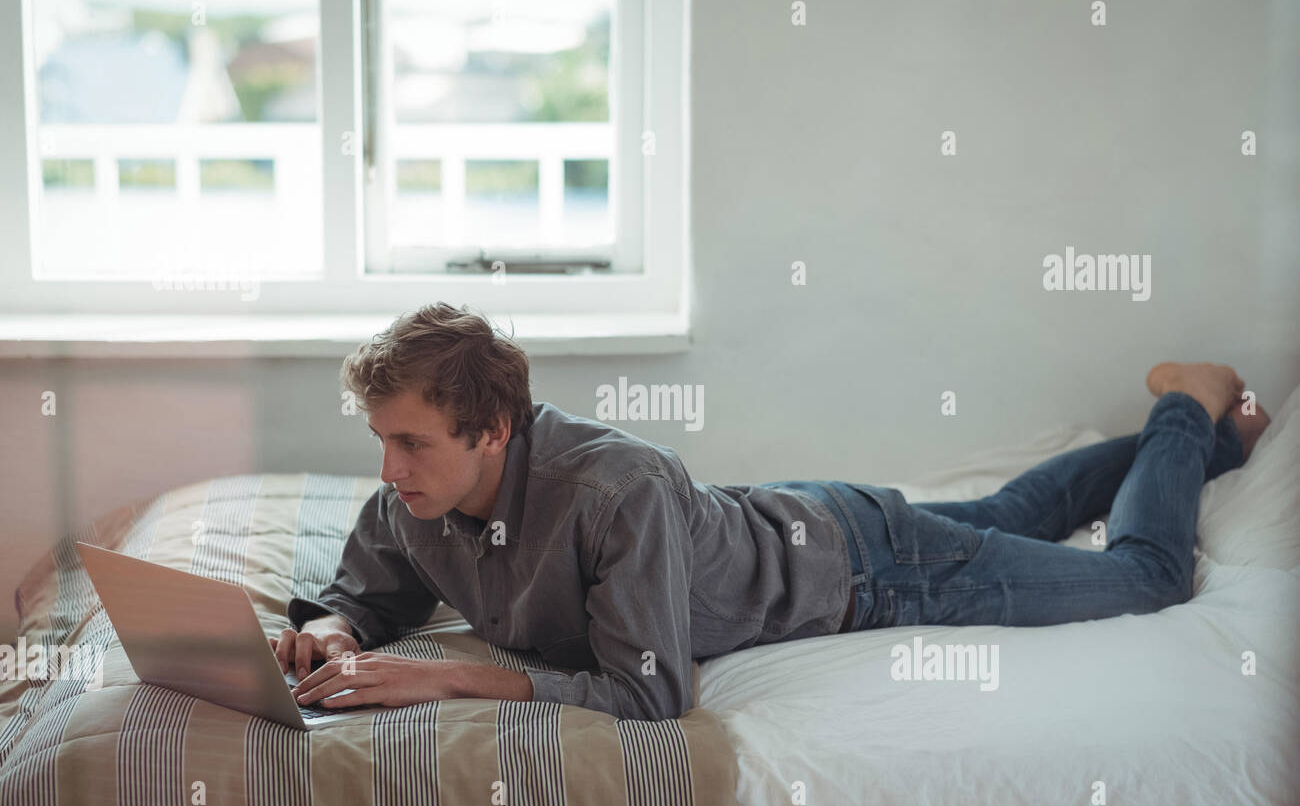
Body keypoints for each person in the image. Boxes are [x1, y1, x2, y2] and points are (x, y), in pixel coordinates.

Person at [275, 304, 1271, 721]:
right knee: (1012, 509)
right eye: (383, 437)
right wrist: (331, 627)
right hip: (809, 516)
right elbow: (369, 584)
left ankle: (1186, 403)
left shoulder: (614, 489)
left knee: (1145, 575)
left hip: (869, 571)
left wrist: (452, 678)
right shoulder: (411, 498)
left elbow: (650, 693)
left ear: (491, 429)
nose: (389, 464)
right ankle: (1216, 441)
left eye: (411, 442)